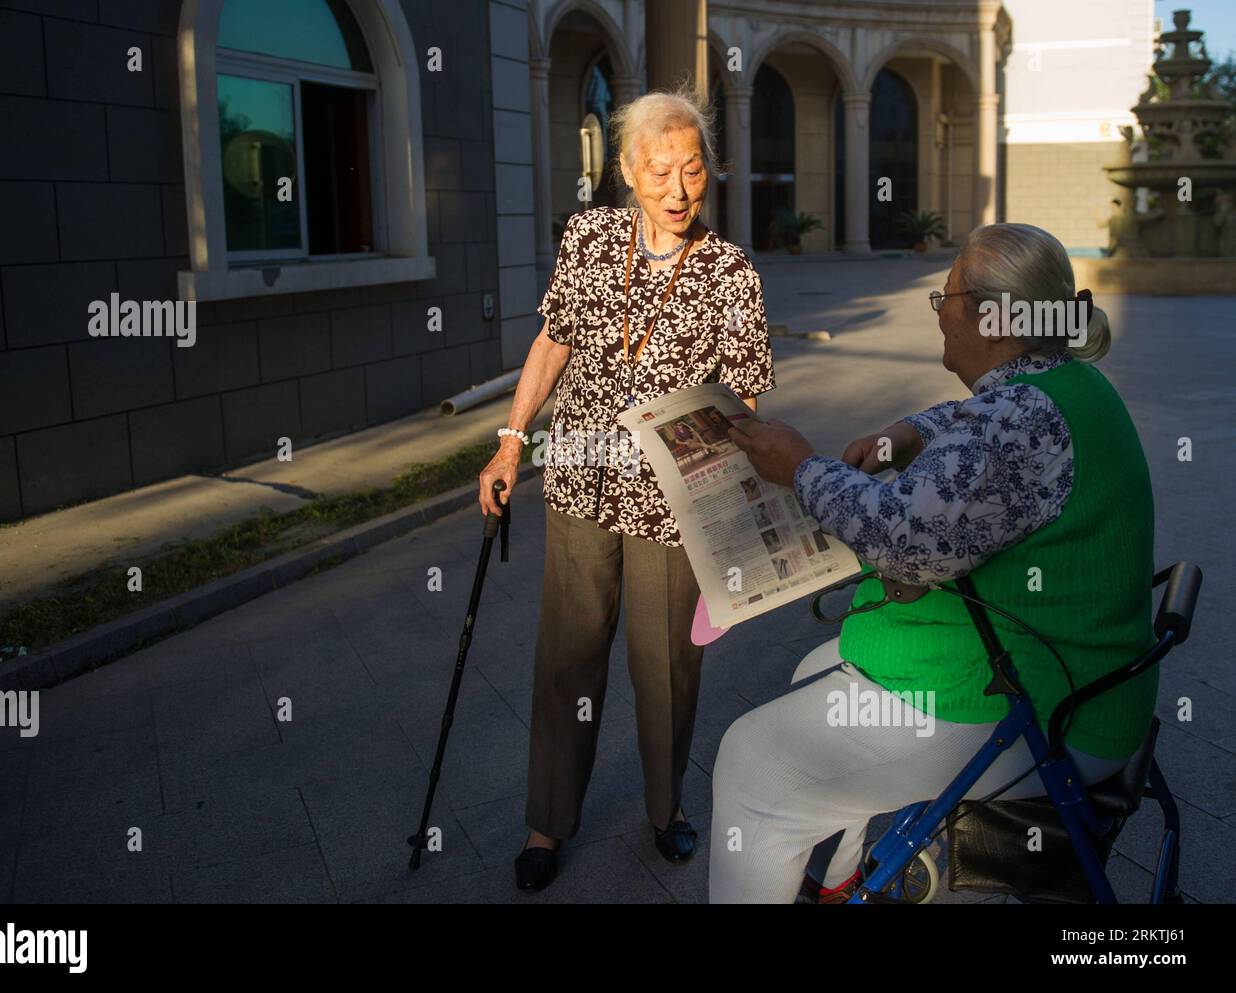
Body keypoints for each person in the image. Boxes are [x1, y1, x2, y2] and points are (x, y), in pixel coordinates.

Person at [710, 222, 1156, 904]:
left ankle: (788, 834)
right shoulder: (1063, 384)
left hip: (1050, 712)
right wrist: (912, 430)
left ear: (995, 317)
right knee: (812, 672)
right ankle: (840, 879)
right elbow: (976, 419)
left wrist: (799, 466)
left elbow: (900, 542)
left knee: (751, 759)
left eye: (945, 297)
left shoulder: (1015, 424)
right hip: (1077, 680)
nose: (939, 313)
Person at [477, 88, 776, 893]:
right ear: (625, 172)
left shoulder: (729, 269)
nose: (679, 190)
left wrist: (688, 433)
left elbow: (745, 391)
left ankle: (664, 804)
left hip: (671, 497)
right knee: (567, 656)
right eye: (659, 171)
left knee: (665, 664)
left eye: (693, 170)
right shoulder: (588, 237)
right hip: (578, 477)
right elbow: (553, 340)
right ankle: (549, 819)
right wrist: (511, 441)